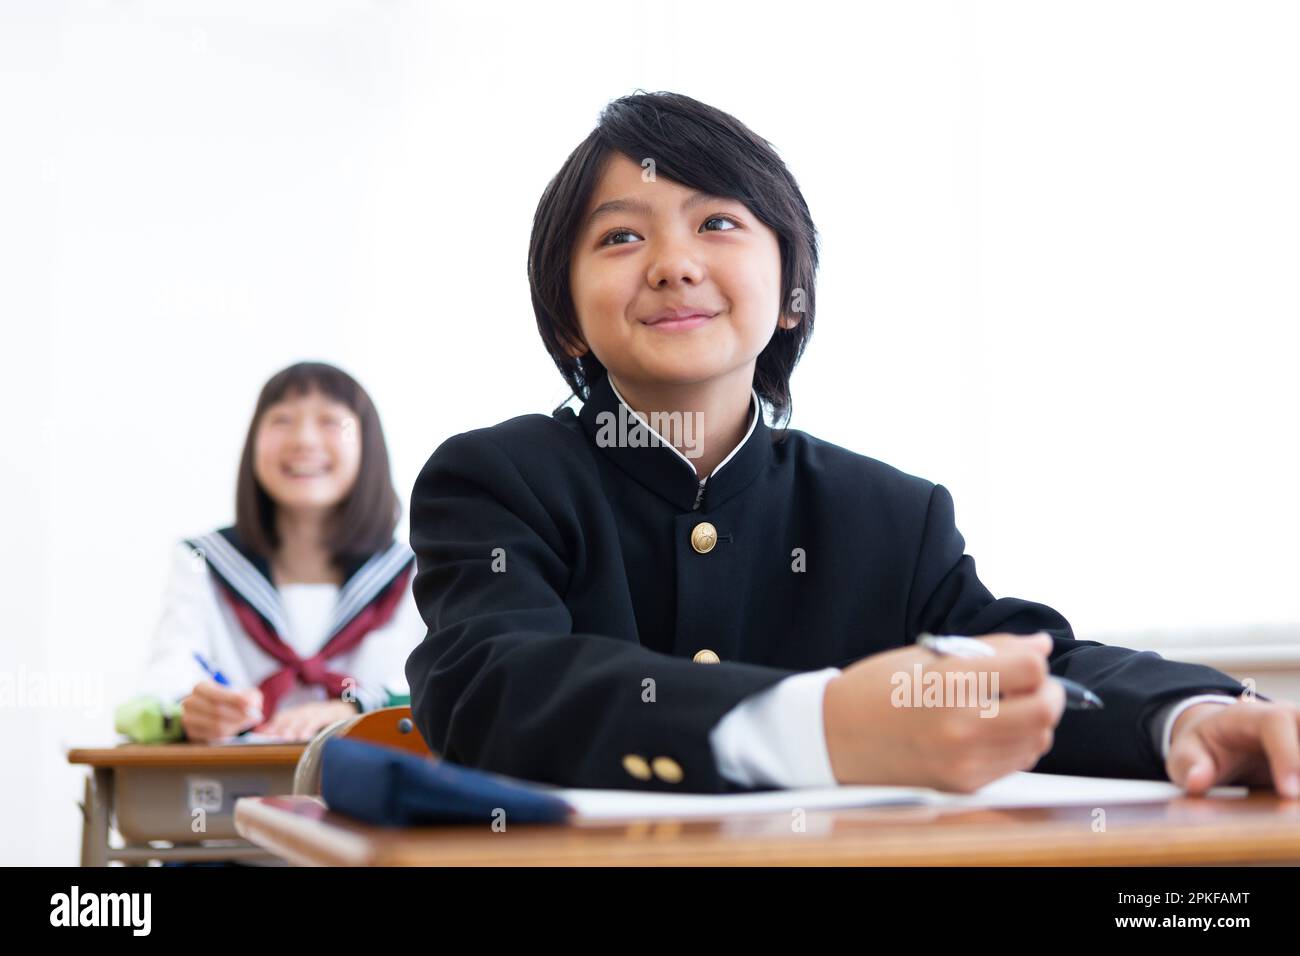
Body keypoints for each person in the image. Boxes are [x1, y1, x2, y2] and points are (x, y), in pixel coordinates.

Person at [406, 92, 1298, 797]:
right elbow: (495, 685)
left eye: (718, 222)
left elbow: (1023, 668)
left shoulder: (889, 514)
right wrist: (822, 723)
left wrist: (1190, 715)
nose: (673, 263)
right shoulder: (495, 481)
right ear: (564, 319)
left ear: (792, 291)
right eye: (622, 236)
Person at [136, 361, 423, 743]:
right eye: (282, 420)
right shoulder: (203, 562)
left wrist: (356, 710)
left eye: (330, 422)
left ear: (369, 445)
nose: (304, 439)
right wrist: (187, 712)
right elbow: (147, 702)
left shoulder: (415, 573)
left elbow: (448, 693)